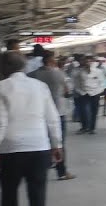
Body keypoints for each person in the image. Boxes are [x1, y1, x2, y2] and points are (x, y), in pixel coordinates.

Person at [0, 51, 63, 206]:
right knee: (38, 197)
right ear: (24, 67)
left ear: (3, 68)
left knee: (9, 195)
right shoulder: (40, 86)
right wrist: (57, 144)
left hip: (11, 149)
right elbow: (52, 118)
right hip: (39, 146)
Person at [29, 51, 75, 181]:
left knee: (41, 142)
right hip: (57, 112)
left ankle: (41, 168)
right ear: (51, 61)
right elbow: (68, 91)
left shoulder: (33, 75)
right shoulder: (59, 73)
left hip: (39, 113)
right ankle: (62, 172)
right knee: (59, 143)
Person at [72, 54, 106, 134]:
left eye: (89, 61)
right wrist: (78, 91)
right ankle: (84, 127)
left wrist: (100, 91)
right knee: (84, 111)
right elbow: (76, 82)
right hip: (83, 93)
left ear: (92, 62)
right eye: (86, 61)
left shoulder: (98, 71)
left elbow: (102, 82)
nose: (88, 63)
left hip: (95, 93)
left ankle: (92, 128)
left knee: (94, 111)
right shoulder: (80, 72)